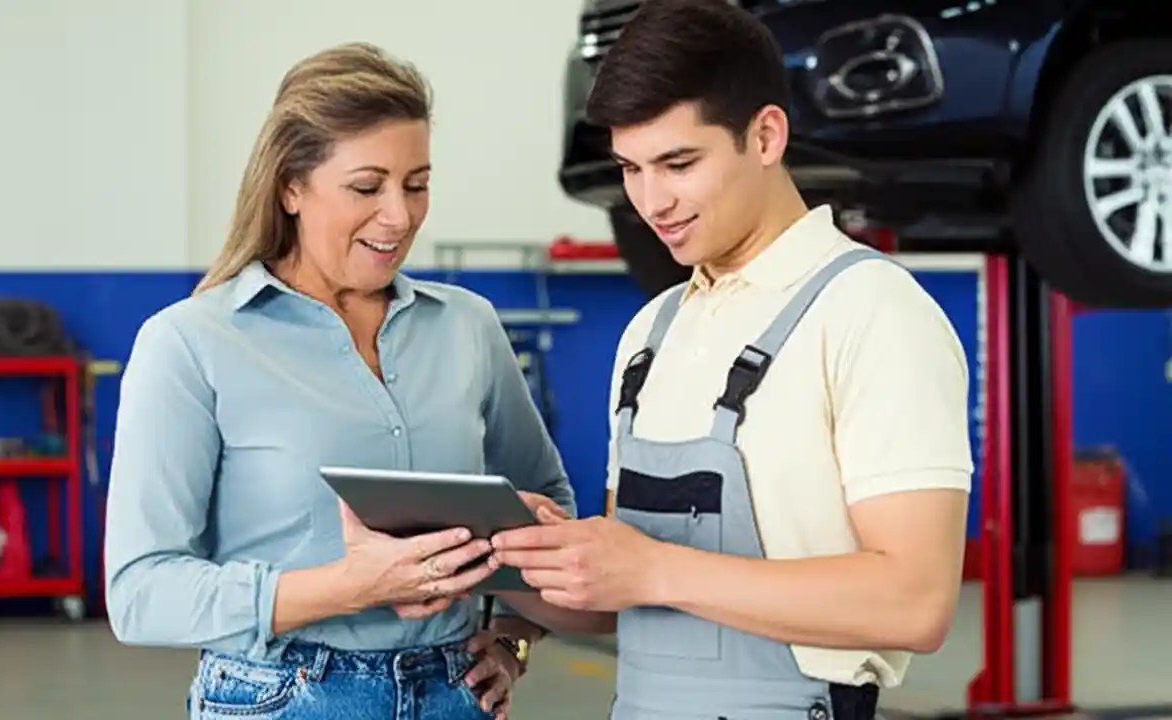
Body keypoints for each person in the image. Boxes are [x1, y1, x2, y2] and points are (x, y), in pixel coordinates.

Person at [488, 1, 974, 718]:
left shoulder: (872, 312)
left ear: (767, 135)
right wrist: (522, 562)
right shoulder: (650, 335)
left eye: (679, 163)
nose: (653, 201)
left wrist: (653, 567)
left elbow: (916, 601)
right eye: (631, 168)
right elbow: (633, 608)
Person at [103, 42, 573, 720]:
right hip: (282, 696)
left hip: (455, 692)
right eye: (367, 187)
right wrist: (346, 587)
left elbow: (550, 505)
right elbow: (141, 592)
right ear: (291, 186)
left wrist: (515, 637)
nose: (400, 216)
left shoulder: (469, 327)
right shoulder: (191, 342)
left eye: (417, 184)